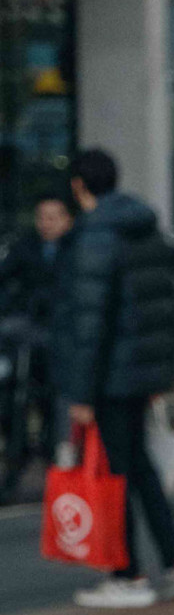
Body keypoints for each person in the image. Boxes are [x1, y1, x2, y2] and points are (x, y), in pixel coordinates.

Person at [51, 148, 174, 608]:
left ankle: (128, 574)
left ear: (79, 186)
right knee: (139, 468)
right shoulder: (144, 227)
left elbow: (90, 320)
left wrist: (81, 392)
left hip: (110, 376)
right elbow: (163, 303)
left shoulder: (95, 235)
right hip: (139, 370)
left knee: (115, 477)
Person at [0, 188, 73, 502]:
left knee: (57, 406)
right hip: (29, 336)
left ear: (67, 220)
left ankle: (57, 466)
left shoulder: (77, 248)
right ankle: (16, 458)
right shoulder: (26, 246)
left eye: (53, 217)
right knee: (13, 397)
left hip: (62, 341)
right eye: (42, 217)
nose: (46, 223)